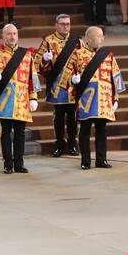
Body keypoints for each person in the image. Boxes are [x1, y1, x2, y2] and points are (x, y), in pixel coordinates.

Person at [0, 22, 41, 174]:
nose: (12, 37)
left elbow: (33, 77)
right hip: (3, 100)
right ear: (3, 36)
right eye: (8, 34)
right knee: (6, 132)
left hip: (21, 100)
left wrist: (33, 97)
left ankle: (19, 163)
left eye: (14, 34)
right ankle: (7, 163)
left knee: (20, 133)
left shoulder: (27, 54)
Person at [73, 24, 122, 170]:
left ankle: (101, 159)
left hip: (104, 99)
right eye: (99, 36)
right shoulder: (78, 54)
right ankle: (85, 160)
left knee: (102, 130)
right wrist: (72, 80)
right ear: (89, 39)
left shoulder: (108, 55)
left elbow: (116, 79)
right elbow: (69, 76)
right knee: (85, 129)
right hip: (86, 100)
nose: (102, 39)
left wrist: (116, 99)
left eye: (102, 36)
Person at [38, 13, 81, 159]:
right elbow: (37, 64)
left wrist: (79, 76)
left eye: (68, 24)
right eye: (62, 24)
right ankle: (59, 143)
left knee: (73, 117)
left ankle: (72, 143)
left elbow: (84, 60)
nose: (65, 26)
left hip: (73, 85)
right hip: (57, 85)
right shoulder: (48, 41)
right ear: (56, 25)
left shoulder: (77, 41)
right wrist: (44, 59)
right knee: (58, 117)